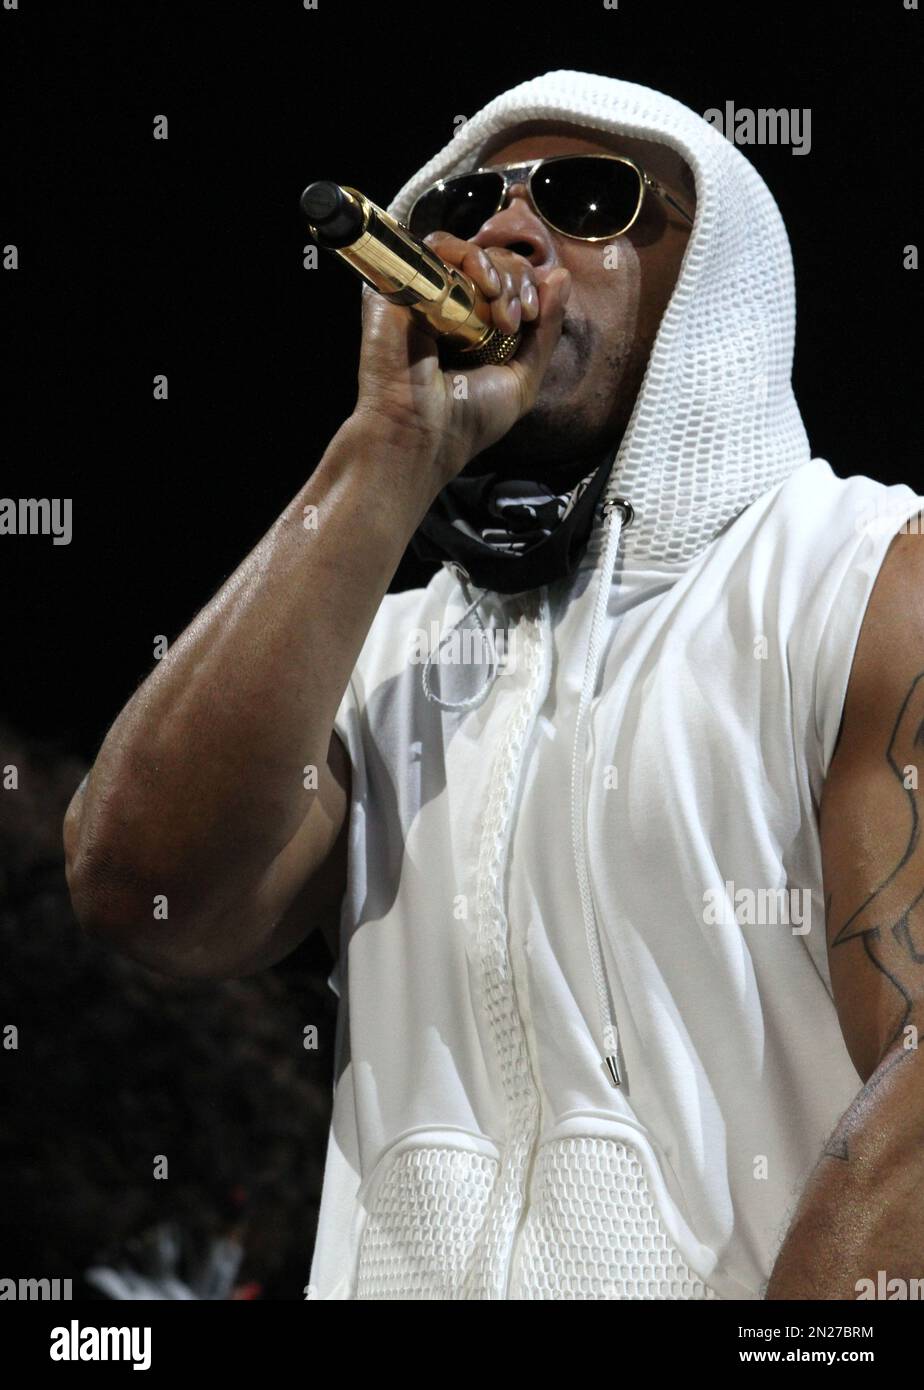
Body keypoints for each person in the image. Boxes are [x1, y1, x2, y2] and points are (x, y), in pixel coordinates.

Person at [64, 70, 924, 1301]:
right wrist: (384, 450)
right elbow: (141, 891)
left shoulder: (860, 582)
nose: (502, 232)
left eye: (587, 199)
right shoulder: (380, 656)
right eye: (468, 201)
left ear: (716, 288)